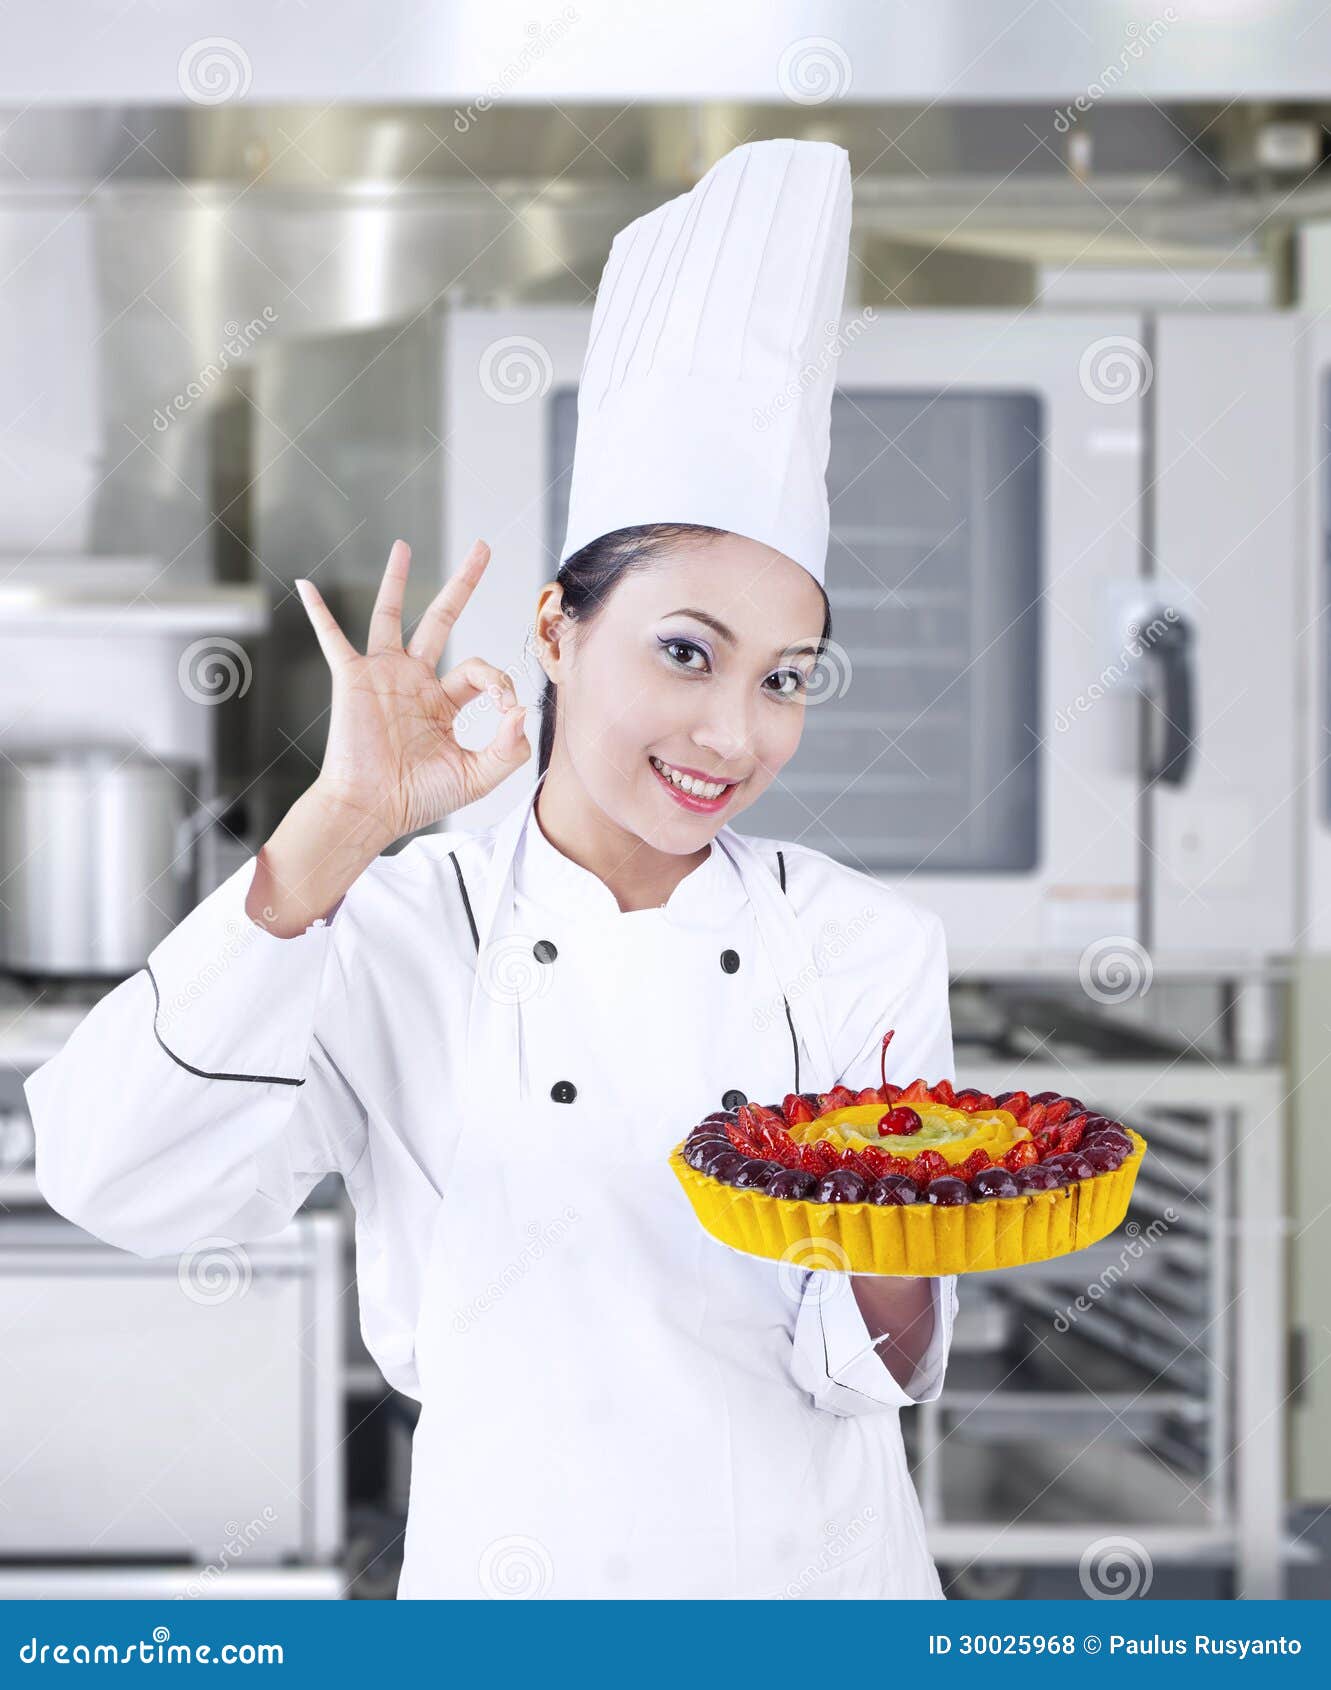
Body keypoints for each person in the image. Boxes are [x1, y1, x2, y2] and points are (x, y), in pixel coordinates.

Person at [25, 138, 959, 1600]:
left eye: (787, 678)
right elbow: (107, 1173)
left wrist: (910, 1234)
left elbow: (876, 1368)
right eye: (685, 652)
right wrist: (342, 820)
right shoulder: (399, 923)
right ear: (556, 627)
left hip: (817, 1599)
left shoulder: (862, 942)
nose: (735, 731)